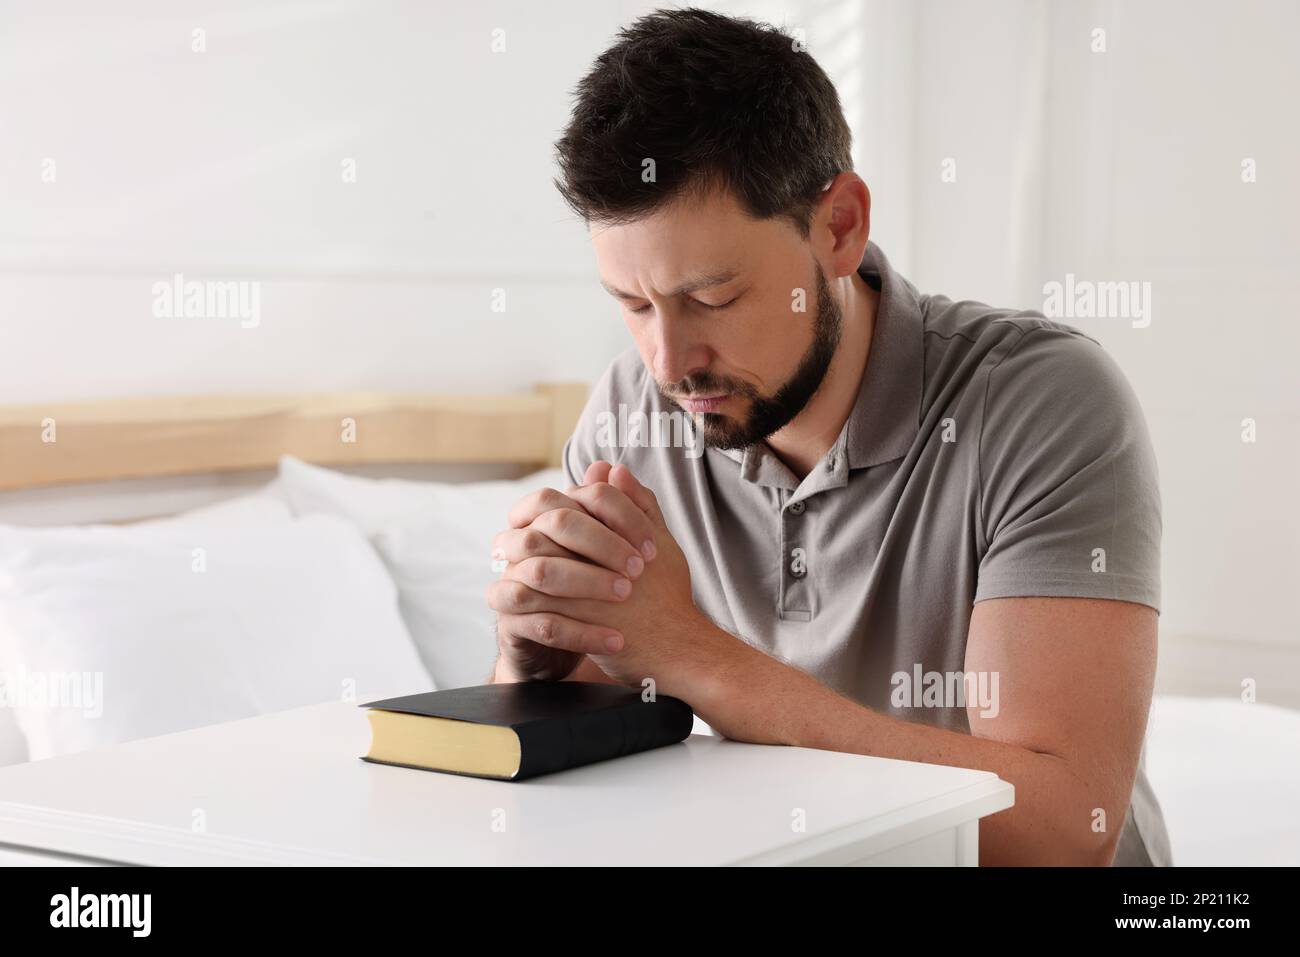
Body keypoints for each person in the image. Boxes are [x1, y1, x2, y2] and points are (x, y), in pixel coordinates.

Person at [485, 7, 1169, 867]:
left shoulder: (1042, 403)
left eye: (713, 297)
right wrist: (532, 668)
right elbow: (577, 798)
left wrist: (693, 654)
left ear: (840, 225)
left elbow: (1066, 832)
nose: (670, 361)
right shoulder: (630, 416)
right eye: (631, 306)